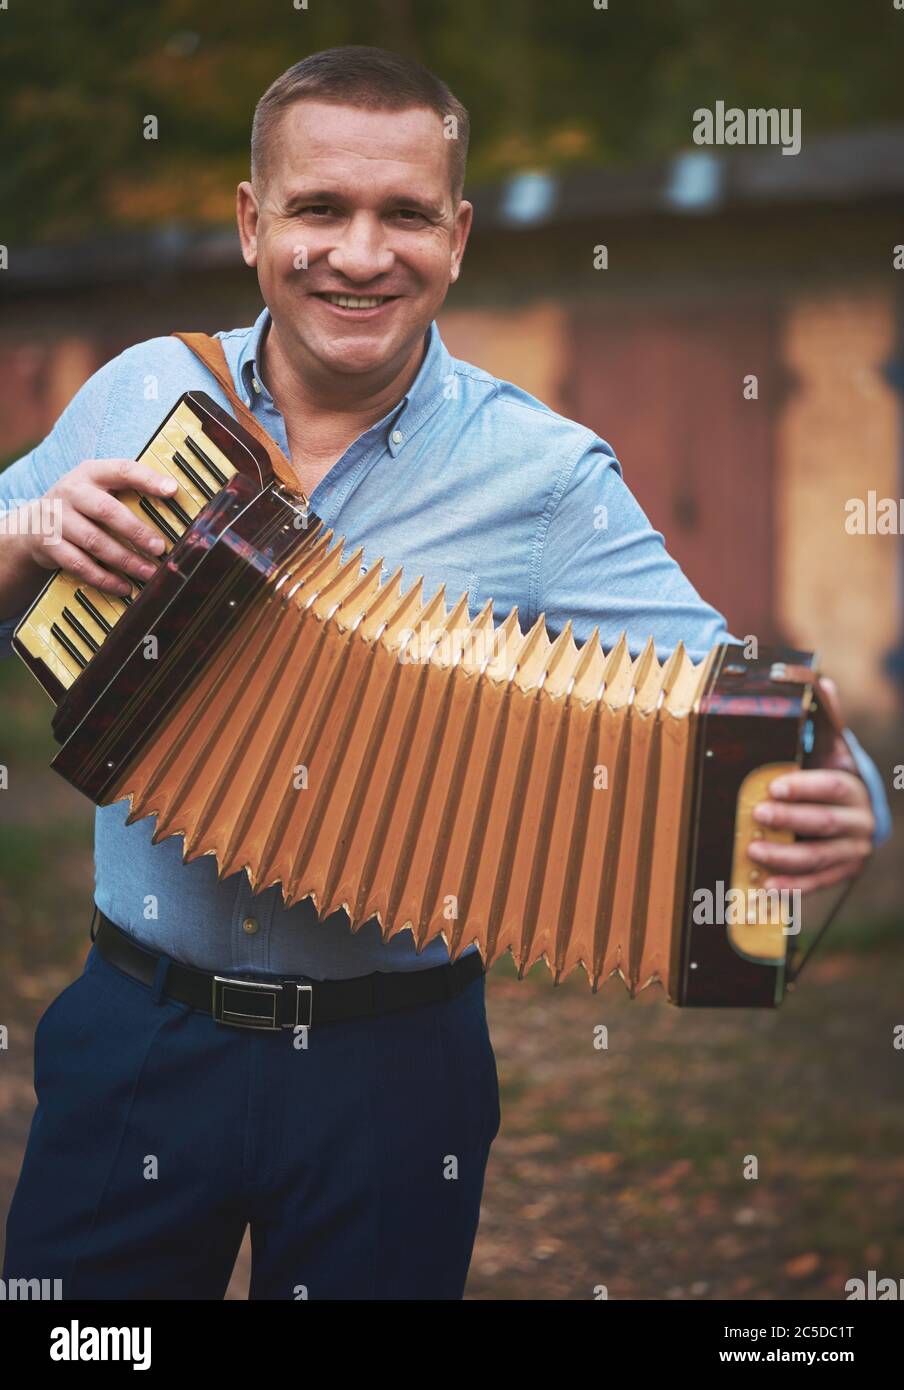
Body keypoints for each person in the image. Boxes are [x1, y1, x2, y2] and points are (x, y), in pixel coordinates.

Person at [0, 45, 890, 1300]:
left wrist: (844, 785)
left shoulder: (545, 475)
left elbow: (721, 688)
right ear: (253, 222)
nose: (360, 255)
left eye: (404, 214)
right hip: (135, 1033)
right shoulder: (141, 392)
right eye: (319, 209)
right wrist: (27, 535)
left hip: (390, 1073)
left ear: (457, 235)